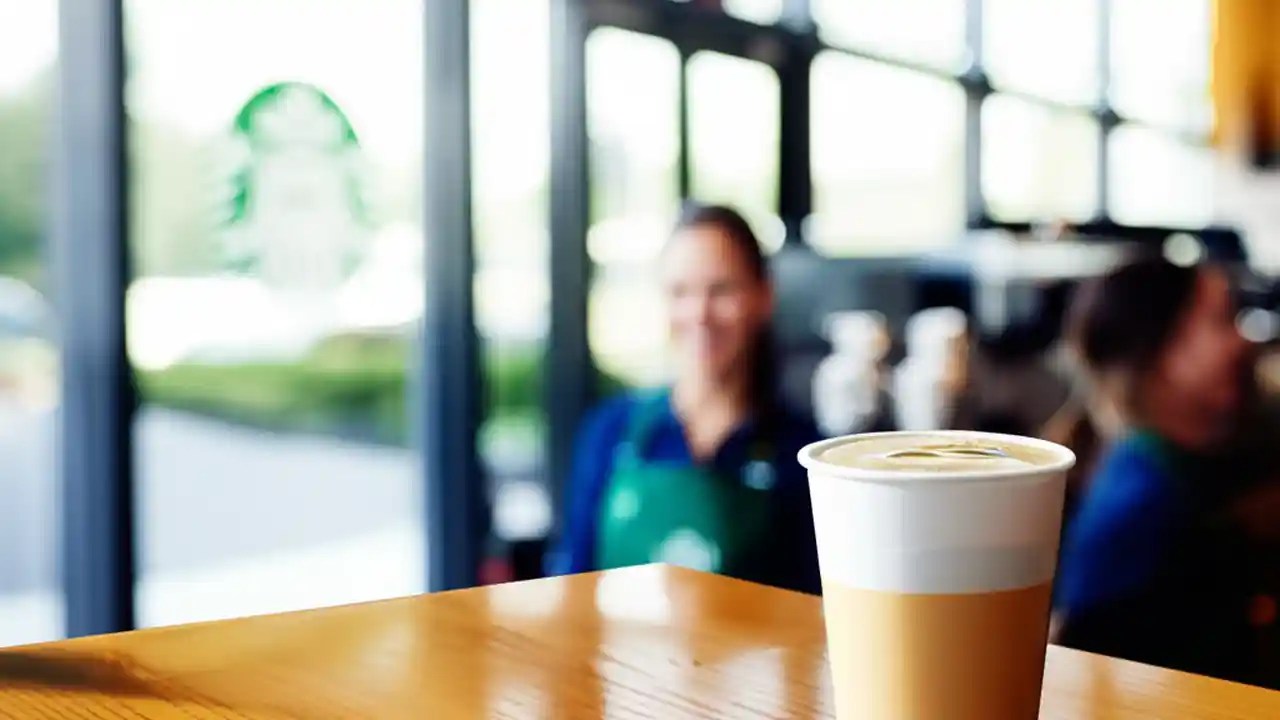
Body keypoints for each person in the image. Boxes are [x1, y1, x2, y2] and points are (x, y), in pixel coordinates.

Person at [547, 205, 821, 594]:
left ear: (764, 297)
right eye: (680, 292)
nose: (699, 313)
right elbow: (571, 583)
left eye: (721, 290)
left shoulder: (802, 454)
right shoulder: (610, 432)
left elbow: (813, 615)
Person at [1054, 257, 1280, 684]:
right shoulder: (1146, 512)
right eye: (1221, 321)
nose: (1243, 342)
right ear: (1163, 353)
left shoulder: (1182, 470)